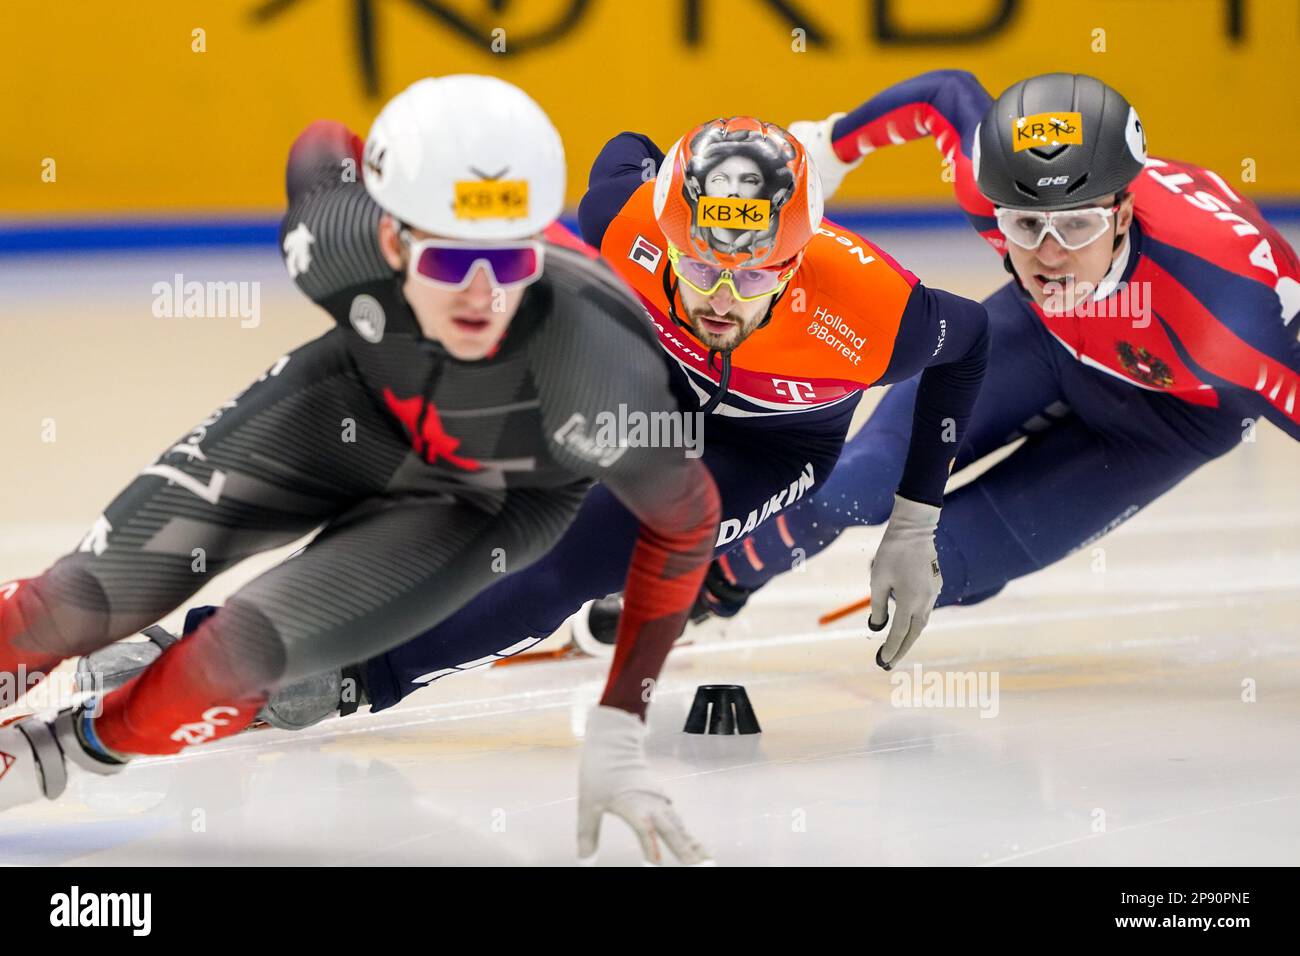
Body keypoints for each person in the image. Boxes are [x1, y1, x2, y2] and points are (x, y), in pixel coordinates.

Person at [84, 116, 991, 765]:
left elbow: (973, 345)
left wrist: (914, 524)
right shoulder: (627, 221)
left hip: (767, 448)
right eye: (700, 261)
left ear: (797, 259)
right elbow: (626, 152)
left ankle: (360, 679)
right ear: (667, 234)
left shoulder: (878, 312)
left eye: (753, 271)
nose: (720, 290)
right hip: (641, 385)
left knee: (579, 562)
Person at [0, 75, 724, 865]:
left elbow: (686, 523)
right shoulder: (336, 236)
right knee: (73, 603)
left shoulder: (599, 369)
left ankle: (54, 756)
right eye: (450, 264)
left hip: (489, 501)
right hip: (351, 405)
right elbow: (322, 142)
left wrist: (620, 723)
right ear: (390, 241)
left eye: (511, 261)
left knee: (231, 661)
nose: (483, 296)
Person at [691, 71, 1300, 667]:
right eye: (1025, 225)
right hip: (1042, 334)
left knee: (943, 568)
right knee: (849, 489)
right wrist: (823, 155)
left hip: (1168, 420)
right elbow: (942, 95)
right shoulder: (988, 184)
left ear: (1122, 212)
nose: (1050, 254)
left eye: (1077, 225)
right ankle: (694, 585)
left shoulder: (1237, 318)